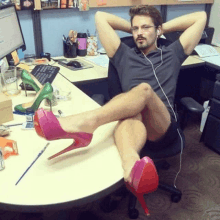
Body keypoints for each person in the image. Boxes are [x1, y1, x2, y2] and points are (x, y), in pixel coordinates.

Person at [34, 4, 207, 215]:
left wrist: (159, 28)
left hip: (161, 124)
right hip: (132, 119)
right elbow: (100, 17)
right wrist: (137, 29)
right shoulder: (122, 54)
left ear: (157, 29)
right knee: (131, 115)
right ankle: (131, 170)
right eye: (135, 29)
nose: (139, 33)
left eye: (145, 28)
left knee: (143, 90)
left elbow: (200, 16)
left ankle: (85, 123)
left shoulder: (173, 53)